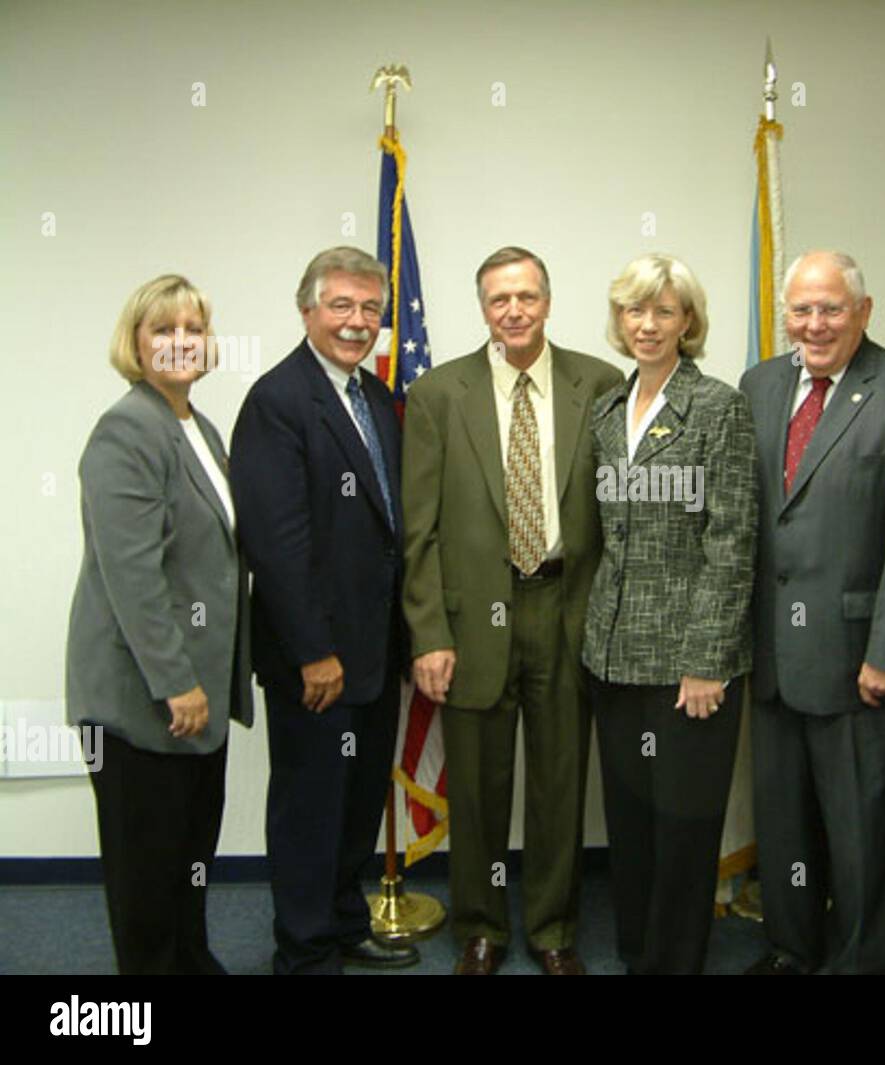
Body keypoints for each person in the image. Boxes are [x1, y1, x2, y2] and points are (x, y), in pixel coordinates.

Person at [739, 250, 885, 974]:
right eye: (801, 309)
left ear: (863, 311)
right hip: (774, 658)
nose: (815, 323)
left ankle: (864, 961)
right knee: (785, 830)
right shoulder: (761, 383)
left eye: (831, 308)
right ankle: (790, 948)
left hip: (865, 660)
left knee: (866, 834)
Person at [402, 246, 622, 975]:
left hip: (566, 607)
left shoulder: (599, 383)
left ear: (549, 301)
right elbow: (420, 529)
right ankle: (481, 926)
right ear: (483, 308)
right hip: (471, 621)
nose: (515, 310)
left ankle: (553, 928)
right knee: (477, 785)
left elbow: (623, 517)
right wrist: (428, 632)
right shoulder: (439, 393)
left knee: (560, 784)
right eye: (500, 299)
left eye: (527, 296)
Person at [229, 246, 416, 974]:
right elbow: (276, 542)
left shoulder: (374, 398)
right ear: (307, 309)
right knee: (310, 809)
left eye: (371, 308)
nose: (357, 321)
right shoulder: (278, 400)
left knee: (358, 802)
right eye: (341, 305)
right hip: (319, 659)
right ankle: (304, 950)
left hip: (375, 651)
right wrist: (314, 650)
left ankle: (343, 921)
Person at [67, 274, 253, 974]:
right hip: (140, 699)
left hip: (192, 693)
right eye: (164, 330)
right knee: (147, 876)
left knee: (188, 857)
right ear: (135, 344)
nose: (181, 343)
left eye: (193, 330)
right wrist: (177, 681)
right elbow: (133, 576)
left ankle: (192, 962)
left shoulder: (195, 425)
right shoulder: (127, 428)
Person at [583, 254, 758, 974]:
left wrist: (707, 658)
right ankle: (635, 954)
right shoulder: (604, 409)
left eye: (663, 311)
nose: (647, 324)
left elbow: (733, 535)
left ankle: (673, 962)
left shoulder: (717, 407)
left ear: (688, 321)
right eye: (634, 310)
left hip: (690, 661)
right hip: (613, 653)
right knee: (630, 823)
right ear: (620, 322)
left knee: (685, 829)